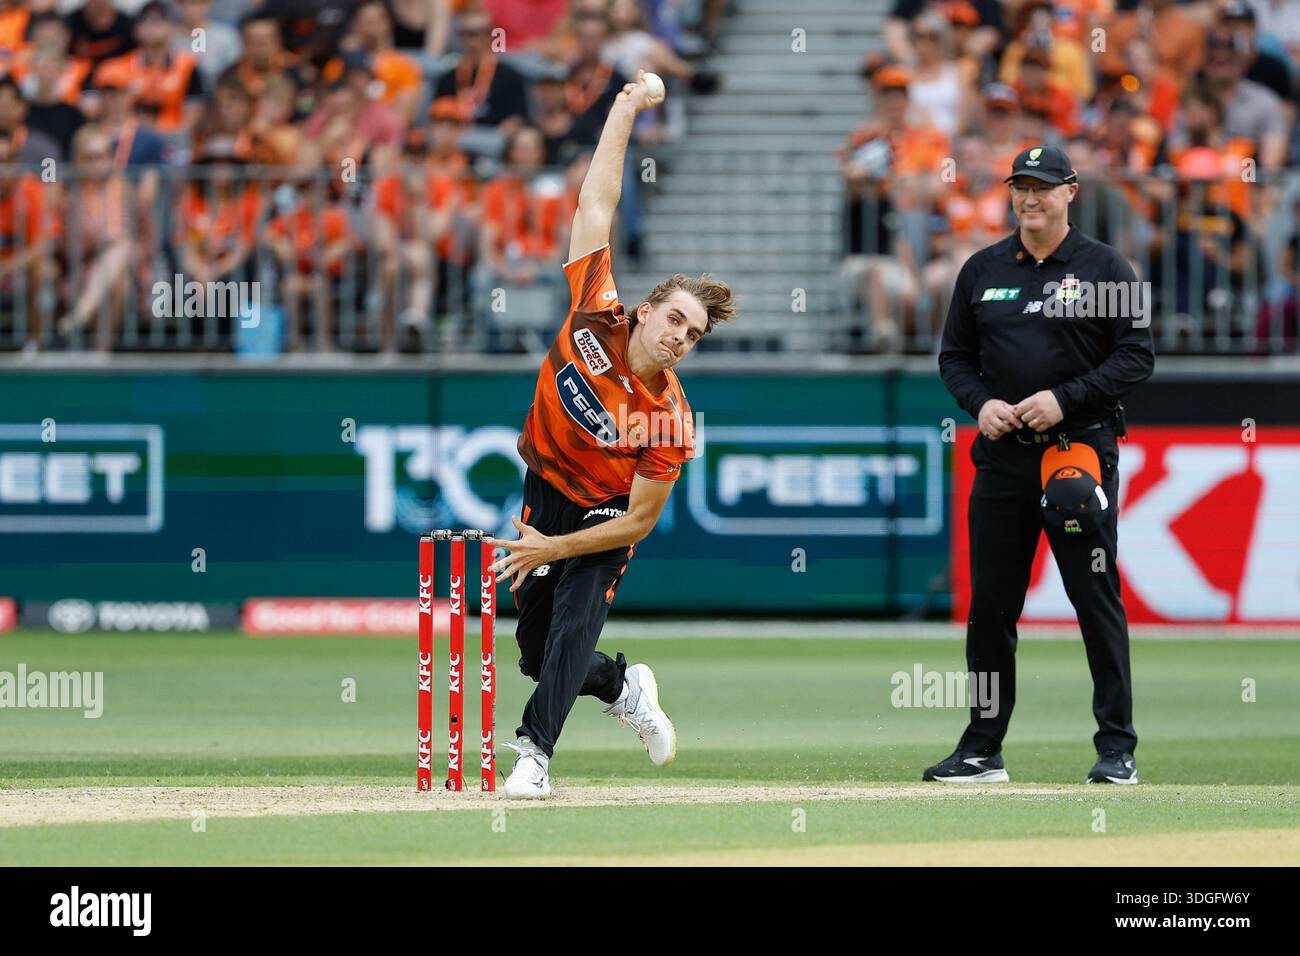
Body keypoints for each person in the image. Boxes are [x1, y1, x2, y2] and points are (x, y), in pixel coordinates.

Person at [485, 71, 736, 799]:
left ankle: (533, 756)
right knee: (538, 655)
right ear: (648, 309)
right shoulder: (596, 307)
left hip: (603, 519)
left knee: (569, 623)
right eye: (675, 320)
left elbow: (639, 520)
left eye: (693, 333)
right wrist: (626, 105)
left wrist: (555, 550)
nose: (681, 337)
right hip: (546, 490)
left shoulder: (671, 417)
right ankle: (624, 687)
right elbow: (598, 198)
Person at [931, 145, 1154, 785]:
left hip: (1077, 453)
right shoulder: (981, 268)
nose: (1031, 198)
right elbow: (955, 359)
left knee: (1094, 599)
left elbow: (1137, 357)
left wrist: (1065, 398)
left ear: (1071, 192)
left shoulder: (1106, 268)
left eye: (1044, 188)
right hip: (1002, 459)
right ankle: (981, 750)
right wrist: (983, 404)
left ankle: (1117, 748)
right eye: (1021, 187)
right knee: (992, 608)